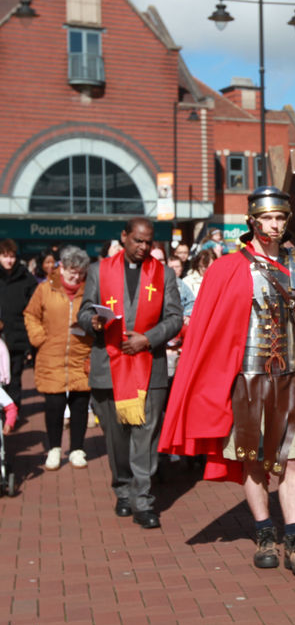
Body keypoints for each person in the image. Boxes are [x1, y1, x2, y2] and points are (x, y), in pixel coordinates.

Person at [161, 186, 295, 577]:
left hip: (291, 379)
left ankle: (294, 538)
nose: (275, 225)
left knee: (292, 460)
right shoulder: (228, 268)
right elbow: (211, 331)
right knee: (255, 462)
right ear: (253, 221)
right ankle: (264, 531)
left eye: (281, 218)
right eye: (268, 218)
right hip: (246, 380)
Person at [77, 218, 183, 529]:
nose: (143, 247)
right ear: (124, 237)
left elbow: (175, 317)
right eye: (137, 241)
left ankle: (142, 500)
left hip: (149, 366)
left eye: (148, 242)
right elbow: (84, 310)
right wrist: (93, 322)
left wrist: (147, 339)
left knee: (146, 437)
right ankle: (122, 488)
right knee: (116, 437)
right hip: (108, 366)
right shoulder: (99, 270)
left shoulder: (164, 274)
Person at [24, 246, 92, 470]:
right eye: (72, 271)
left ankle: (77, 449)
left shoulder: (90, 290)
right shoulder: (45, 289)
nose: (76, 276)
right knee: (54, 404)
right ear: (61, 268)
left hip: (80, 354)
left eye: (80, 272)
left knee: (80, 404)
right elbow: (31, 314)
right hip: (51, 353)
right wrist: (38, 337)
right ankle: (54, 448)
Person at [0, 239, 38, 413]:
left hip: (18, 337)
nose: (9, 260)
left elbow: (34, 307)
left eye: (12, 256)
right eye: (5, 256)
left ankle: (14, 413)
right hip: (1, 337)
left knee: (14, 377)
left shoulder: (26, 278)